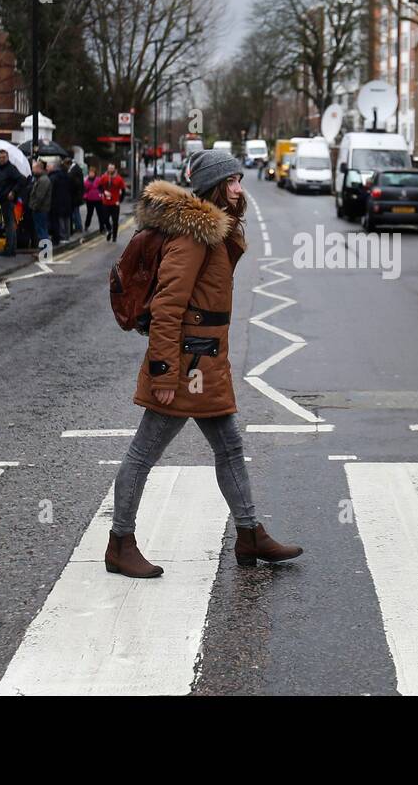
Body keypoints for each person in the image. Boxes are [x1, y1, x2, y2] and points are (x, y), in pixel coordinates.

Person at [108, 151, 302, 578]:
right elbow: (167, 307)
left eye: (239, 180)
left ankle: (250, 534)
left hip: (206, 360)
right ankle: (120, 543)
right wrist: (163, 373)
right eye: (232, 181)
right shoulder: (194, 236)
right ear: (215, 186)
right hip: (186, 363)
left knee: (229, 447)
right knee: (143, 453)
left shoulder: (214, 231)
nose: (239, 187)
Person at [0, 149, 25, 258]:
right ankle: (10, 248)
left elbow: (21, 180)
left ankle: (9, 249)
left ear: (7, 157)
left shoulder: (11, 169)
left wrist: (13, 191)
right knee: (9, 225)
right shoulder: (0, 169)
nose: (1, 159)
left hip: (8, 200)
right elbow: (2, 183)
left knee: (9, 225)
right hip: (3, 199)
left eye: (3, 157)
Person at [97, 164, 126, 242]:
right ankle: (109, 230)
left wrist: (119, 201)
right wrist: (104, 192)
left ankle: (114, 237)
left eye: (112, 168)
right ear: (107, 168)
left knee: (115, 220)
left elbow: (123, 191)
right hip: (106, 202)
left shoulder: (119, 178)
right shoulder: (104, 177)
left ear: (114, 169)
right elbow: (99, 187)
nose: (110, 169)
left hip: (115, 203)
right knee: (105, 219)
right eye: (109, 168)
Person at [28, 160, 52, 248]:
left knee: (42, 231)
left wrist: (33, 207)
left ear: (39, 168)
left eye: (34, 168)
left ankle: (45, 252)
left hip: (40, 209)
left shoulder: (43, 180)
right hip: (40, 209)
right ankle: (44, 251)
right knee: (42, 231)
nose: (33, 171)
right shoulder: (41, 179)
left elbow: (39, 197)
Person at [48, 160, 72, 243]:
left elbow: (51, 190)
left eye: (48, 166)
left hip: (57, 201)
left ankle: (62, 236)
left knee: (60, 219)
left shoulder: (54, 177)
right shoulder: (68, 176)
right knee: (66, 219)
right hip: (67, 200)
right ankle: (67, 236)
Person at [67, 158, 85, 236]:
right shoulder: (77, 168)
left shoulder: (74, 170)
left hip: (75, 196)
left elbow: (75, 183)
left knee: (75, 213)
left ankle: (79, 227)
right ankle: (79, 227)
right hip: (77, 195)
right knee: (76, 212)